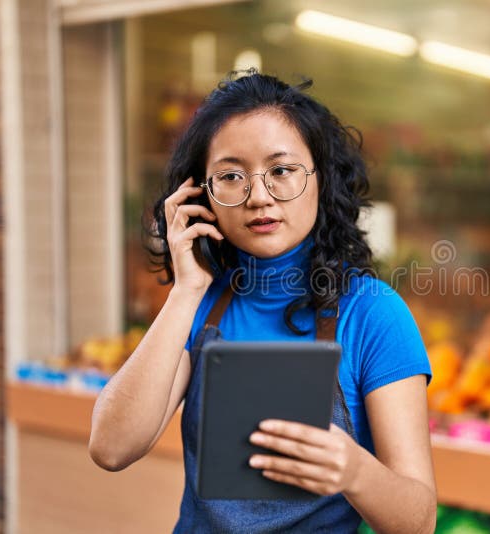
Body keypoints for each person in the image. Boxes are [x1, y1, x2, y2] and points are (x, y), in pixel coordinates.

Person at [88, 69, 436, 534]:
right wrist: (186, 289)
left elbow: (418, 522)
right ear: (199, 194)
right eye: (231, 176)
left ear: (320, 178)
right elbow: (111, 448)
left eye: (282, 170)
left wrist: (354, 470)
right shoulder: (200, 304)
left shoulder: (373, 313)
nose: (258, 197)